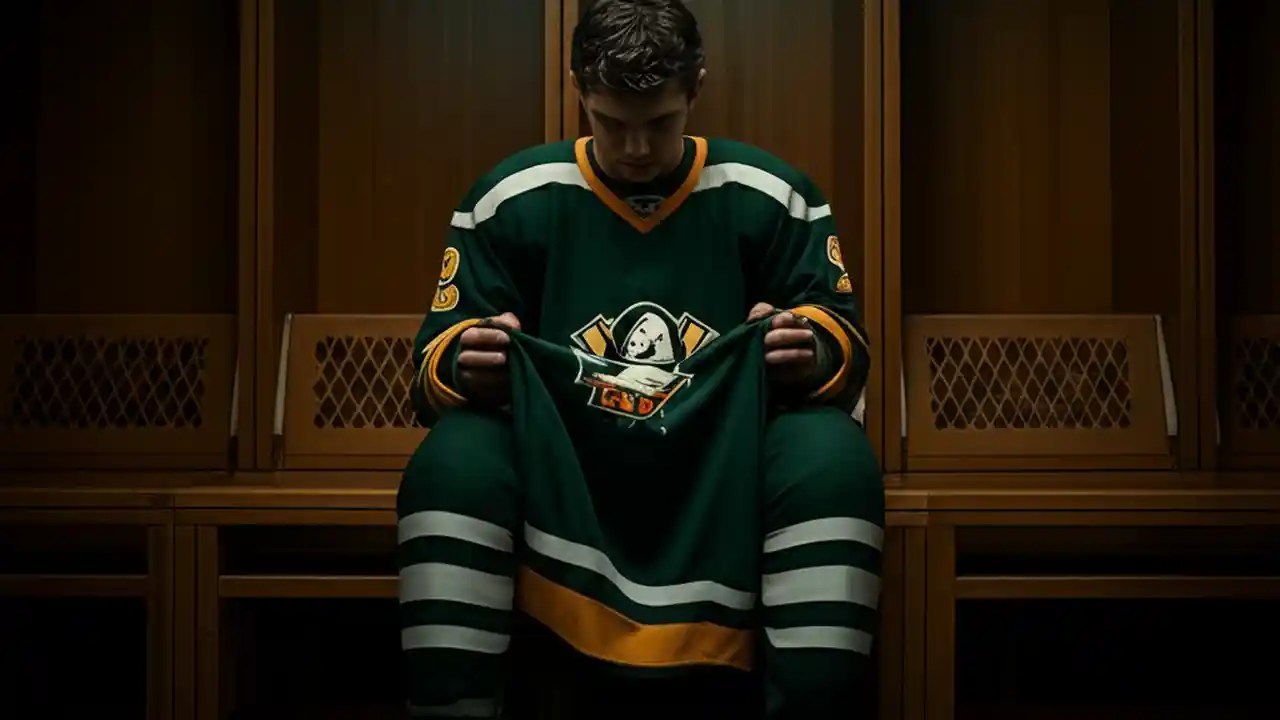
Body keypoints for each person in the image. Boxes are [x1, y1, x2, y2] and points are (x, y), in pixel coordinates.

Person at [397, 0, 884, 717]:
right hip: (562, 466)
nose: (634, 148)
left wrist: (806, 347)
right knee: (455, 456)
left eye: (658, 123)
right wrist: (467, 361)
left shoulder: (774, 195)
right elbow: (434, 358)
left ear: (697, 90)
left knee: (830, 453)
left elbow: (843, 339)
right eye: (609, 122)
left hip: (725, 465)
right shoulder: (510, 199)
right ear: (577, 92)